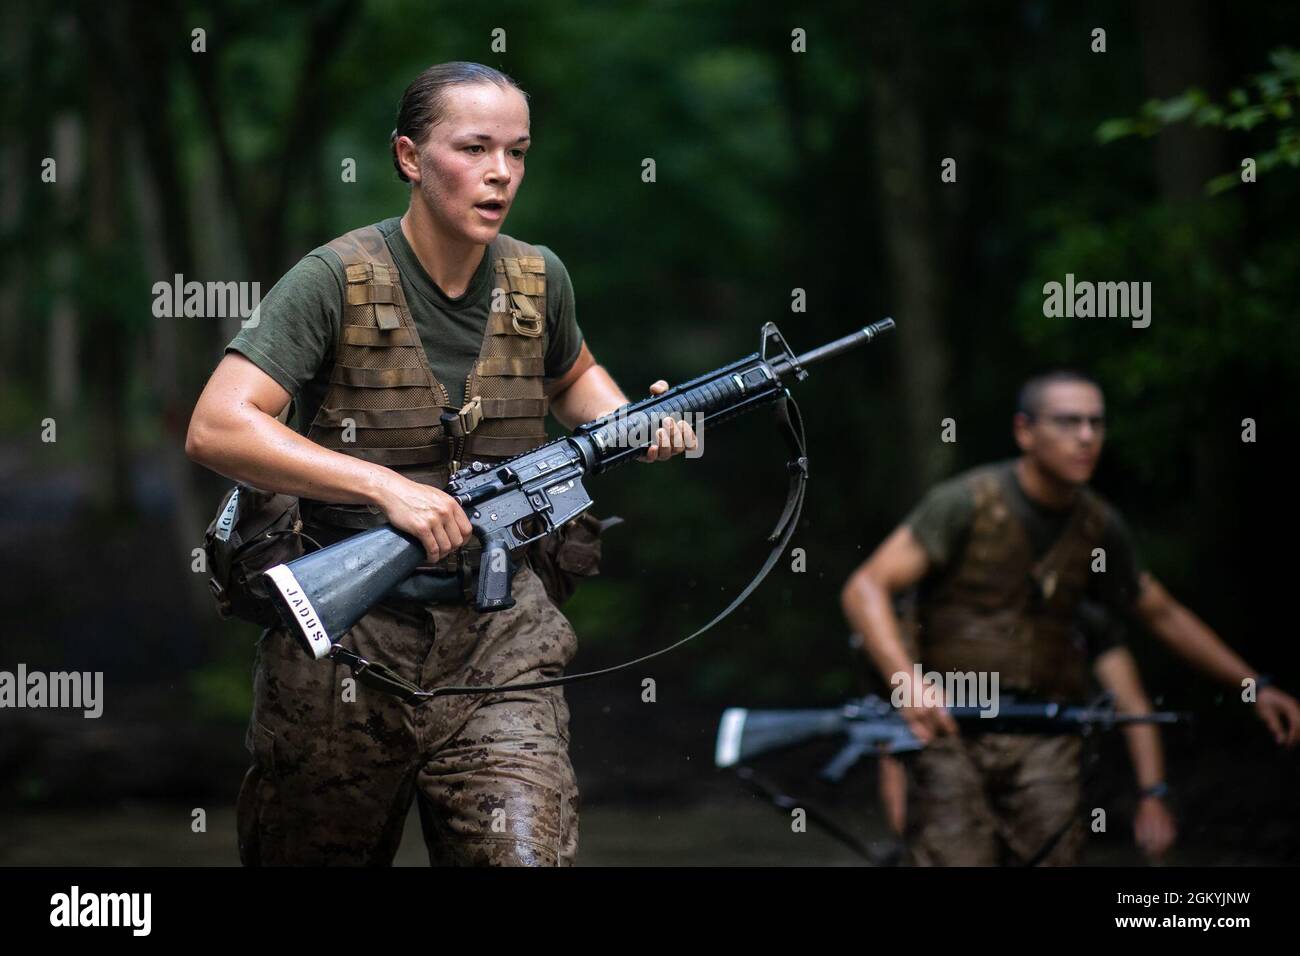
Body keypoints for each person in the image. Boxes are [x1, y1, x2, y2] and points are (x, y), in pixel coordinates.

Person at [185, 61, 696, 866]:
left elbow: (574, 381)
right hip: (345, 648)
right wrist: (384, 487)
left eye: (518, 152)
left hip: (500, 641)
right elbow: (219, 426)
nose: (501, 173)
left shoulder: (538, 278)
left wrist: (634, 422)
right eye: (475, 148)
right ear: (410, 157)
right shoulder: (334, 280)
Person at [841, 370, 1300, 866]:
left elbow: (1161, 613)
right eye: (1067, 422)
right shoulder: (965, 503)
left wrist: (1254, 685)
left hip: (1048, 735)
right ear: (1025, 431)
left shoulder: (1099, 526)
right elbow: (866, 587)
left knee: (1056, 856)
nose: (1086, 437)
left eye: (1095, 424)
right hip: (950, 727)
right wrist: (906, 683)